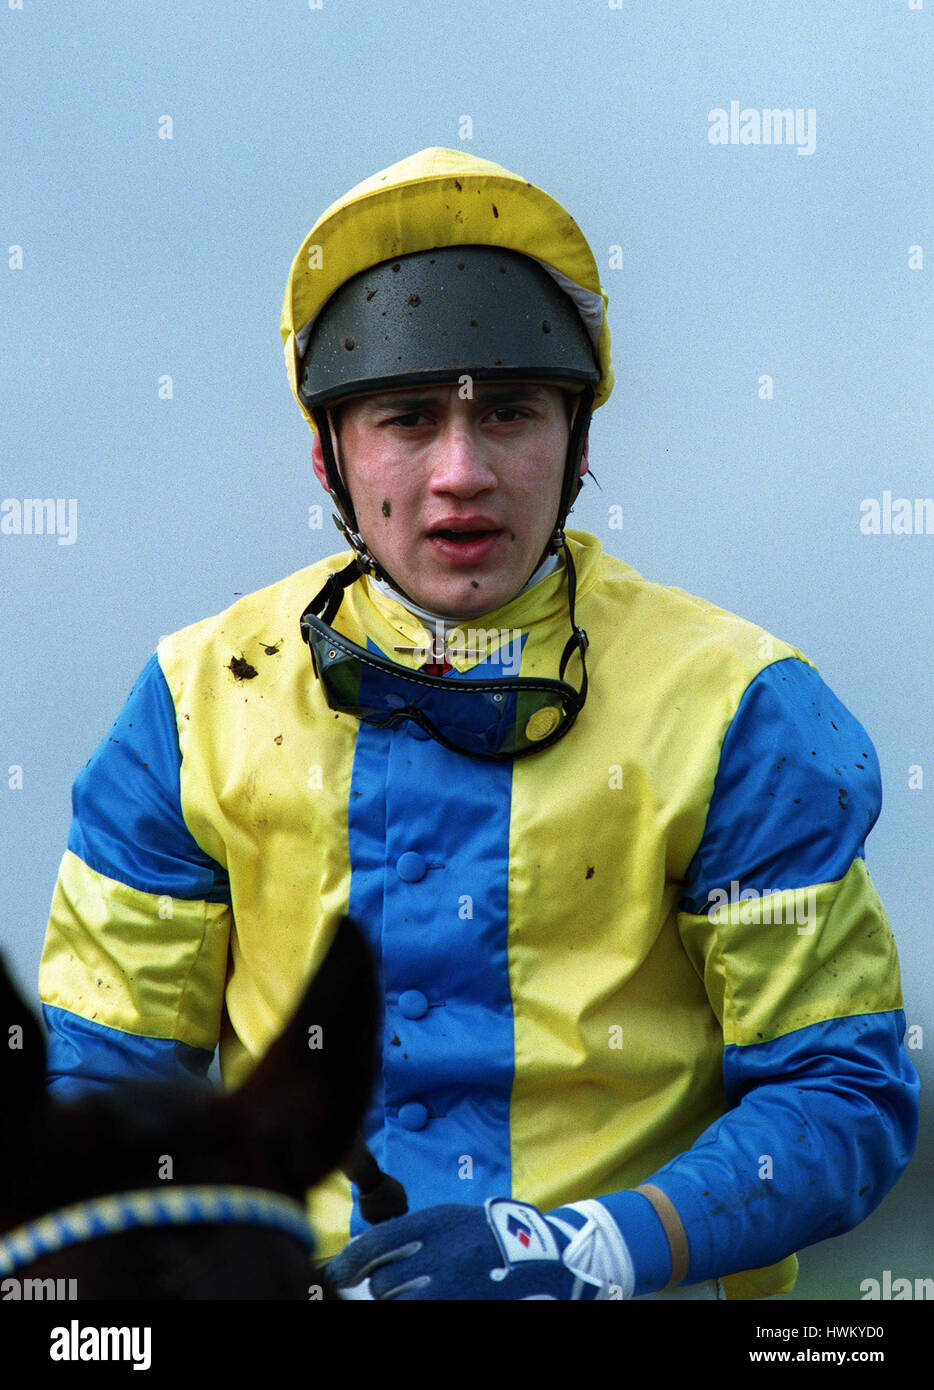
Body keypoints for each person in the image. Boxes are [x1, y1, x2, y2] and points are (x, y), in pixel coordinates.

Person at [39, 147, 918, 1301]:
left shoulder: (745, 708)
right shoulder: (191, 702)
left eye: (508, 413)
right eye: (406, 419)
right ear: (327, 457)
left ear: (579, 446)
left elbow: (843, 1091)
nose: (463, 473)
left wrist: (591, 1249)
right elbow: (96, 1089)